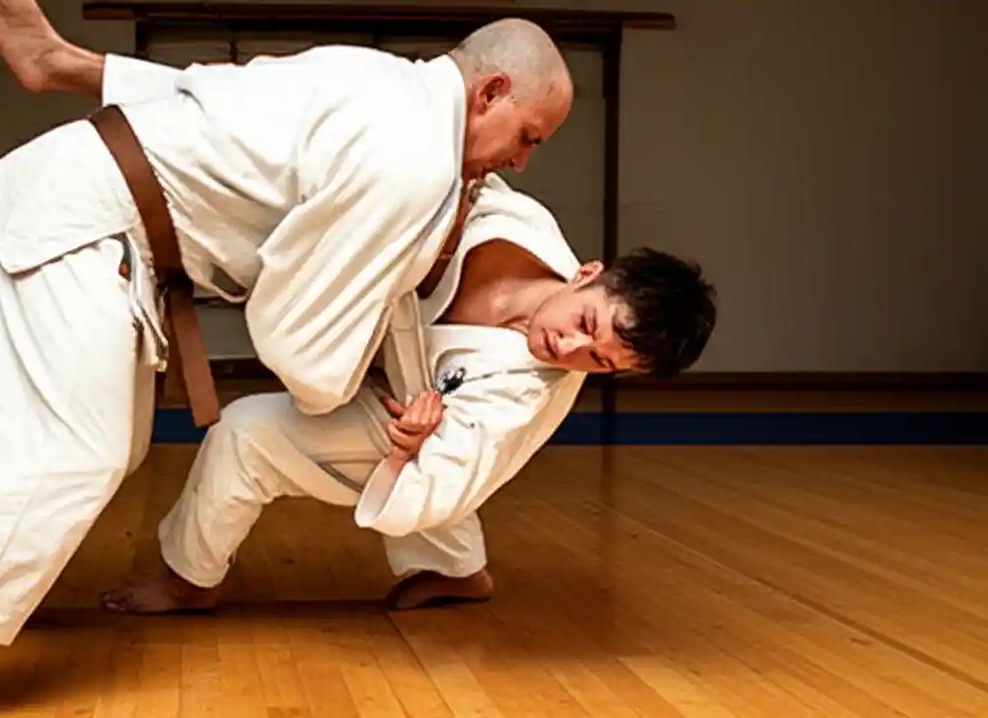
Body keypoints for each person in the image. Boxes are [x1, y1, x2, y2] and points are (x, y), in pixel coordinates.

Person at [0, 0, 576, 716]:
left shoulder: (379, 78)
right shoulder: (416, 160)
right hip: (92, 227)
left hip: (87, 202)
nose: (521, 159)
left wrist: (67, 66)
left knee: (110, 446)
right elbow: (292, 340)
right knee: (74, 451)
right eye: (530, 136)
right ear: (492, 91)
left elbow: (212, 90)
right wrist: (344, 389)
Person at [96, 175, 717, 615]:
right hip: (382, 362)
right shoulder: (518, 222)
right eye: (586, 324)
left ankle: (188, 583)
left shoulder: (523, 396)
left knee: (245, 433)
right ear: (587, 273)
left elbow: (452, 472)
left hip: (409, 422)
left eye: (601, 363)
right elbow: (442, 183)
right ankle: (458, 573)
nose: (571, 351)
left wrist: (403, 451)